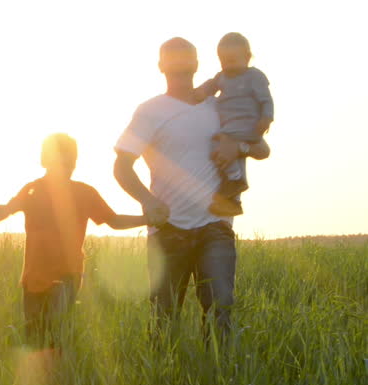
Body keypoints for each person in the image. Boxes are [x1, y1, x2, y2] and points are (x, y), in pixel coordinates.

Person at [113, 38, 270, 343]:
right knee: (163, 318)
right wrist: (148, 200)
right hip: (169, 228)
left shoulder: (219, 106)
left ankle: (217, 380)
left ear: (197, 65)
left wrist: (236, 145)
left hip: (216, 226)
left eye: (187, 63)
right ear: (161, 67)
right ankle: (162, 384)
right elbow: (121, 166)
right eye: (174, 64)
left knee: (220, 313)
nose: (182, 69)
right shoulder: (149, 111)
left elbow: (262, 147)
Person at [0, 133, 162, 347]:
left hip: (66, 276)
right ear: (45, 160)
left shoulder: (81, 192)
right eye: (63, 158)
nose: (68, 163)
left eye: (70, 158)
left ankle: (58, 376)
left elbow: (113, 221)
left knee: (53, 336)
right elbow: (1, 214)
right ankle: (49, 376)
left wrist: (147, 219)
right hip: (33, 277)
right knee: (37, 336)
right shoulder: (32, 189)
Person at [195, 32, 274, 216]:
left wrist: (267, 118)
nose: (227, 65)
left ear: (246, 57)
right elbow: (210, 86)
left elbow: (266, 100)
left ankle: (235, 179)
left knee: (220, 144)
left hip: (246, 123)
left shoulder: (254, 76)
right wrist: (198, 92)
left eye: (231, 60)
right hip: (231, 126)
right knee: (227, 153)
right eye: (222, 60)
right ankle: (232, 189)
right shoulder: (222, 76)